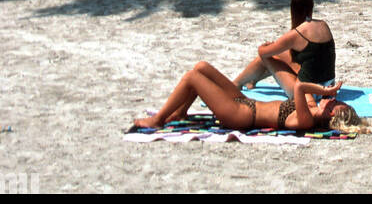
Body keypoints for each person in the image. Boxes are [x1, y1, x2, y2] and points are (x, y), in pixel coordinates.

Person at [133, 66, 358, 134]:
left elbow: (300, 87)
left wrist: (324, 90)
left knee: (192, 77)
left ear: (330, 113)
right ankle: (181, 112)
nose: (331, 97)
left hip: (240, 116)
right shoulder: (310, 109)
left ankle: (159, 120)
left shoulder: (306, 120)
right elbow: (300, 77)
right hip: (244, 102)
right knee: (202, 67)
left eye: (333, 101)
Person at [234, 0, 335, 95]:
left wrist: (265, 47)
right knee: (280, 54)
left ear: (293, 11)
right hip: (329, 87)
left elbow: (263, 53)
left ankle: (236, 83)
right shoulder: (323, 25)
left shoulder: (296, 34)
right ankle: (251, 80)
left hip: (306, 94)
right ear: (311, 9)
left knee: (265, 57)